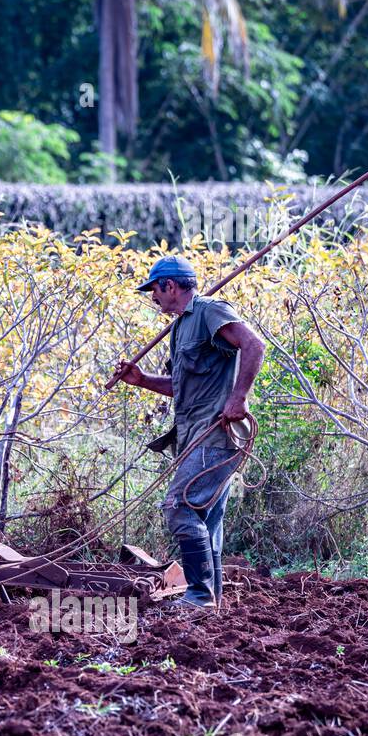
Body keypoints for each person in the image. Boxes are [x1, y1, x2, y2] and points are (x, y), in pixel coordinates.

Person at [113, 255, 265, 608]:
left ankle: (198, 596)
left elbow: (254, 345)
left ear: (170, 286)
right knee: (206, 520)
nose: (152, 297)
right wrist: (143, 381)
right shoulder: (181, 326)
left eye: (154, 289)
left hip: (218, 434)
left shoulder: (210, 310)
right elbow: (186, 386)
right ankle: (209, 601)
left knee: (179, 505)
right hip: (195, 434)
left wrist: (238, 397)